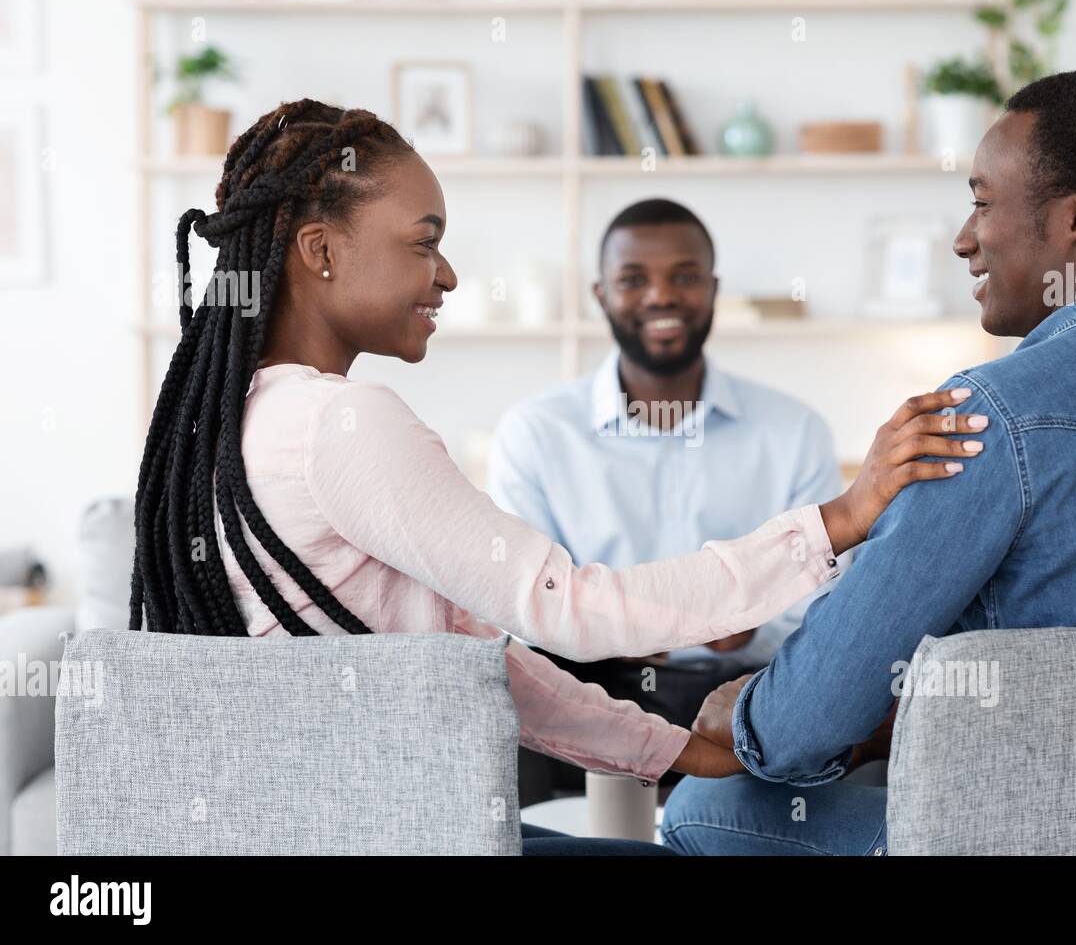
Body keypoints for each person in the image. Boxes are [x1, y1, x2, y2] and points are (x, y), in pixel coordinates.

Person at [128, 99, 988, 854]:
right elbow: (567, 607)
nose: (448, 274)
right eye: (425, 242)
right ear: (320, 250)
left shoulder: (241, 417)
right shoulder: (342, 422)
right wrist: (840, 516)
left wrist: (677, 750)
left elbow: (478, 660)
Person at [662, 69, 1076, 855]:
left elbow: (805, 723)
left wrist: (751, 713)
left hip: (1019, 843)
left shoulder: (988, 418)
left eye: (983, 201)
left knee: (703, 806)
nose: (964, 238)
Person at [486, 199, 847, 796]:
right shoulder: (536, 433)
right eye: (634, 280)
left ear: (712, 289)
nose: (661, 296)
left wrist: (748, 630)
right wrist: (625, 629)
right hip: (591, 693)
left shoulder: (793, 431)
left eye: (684, 276)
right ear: (601, 295)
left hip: (750, 695)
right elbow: (524, 606)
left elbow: (829, 605)